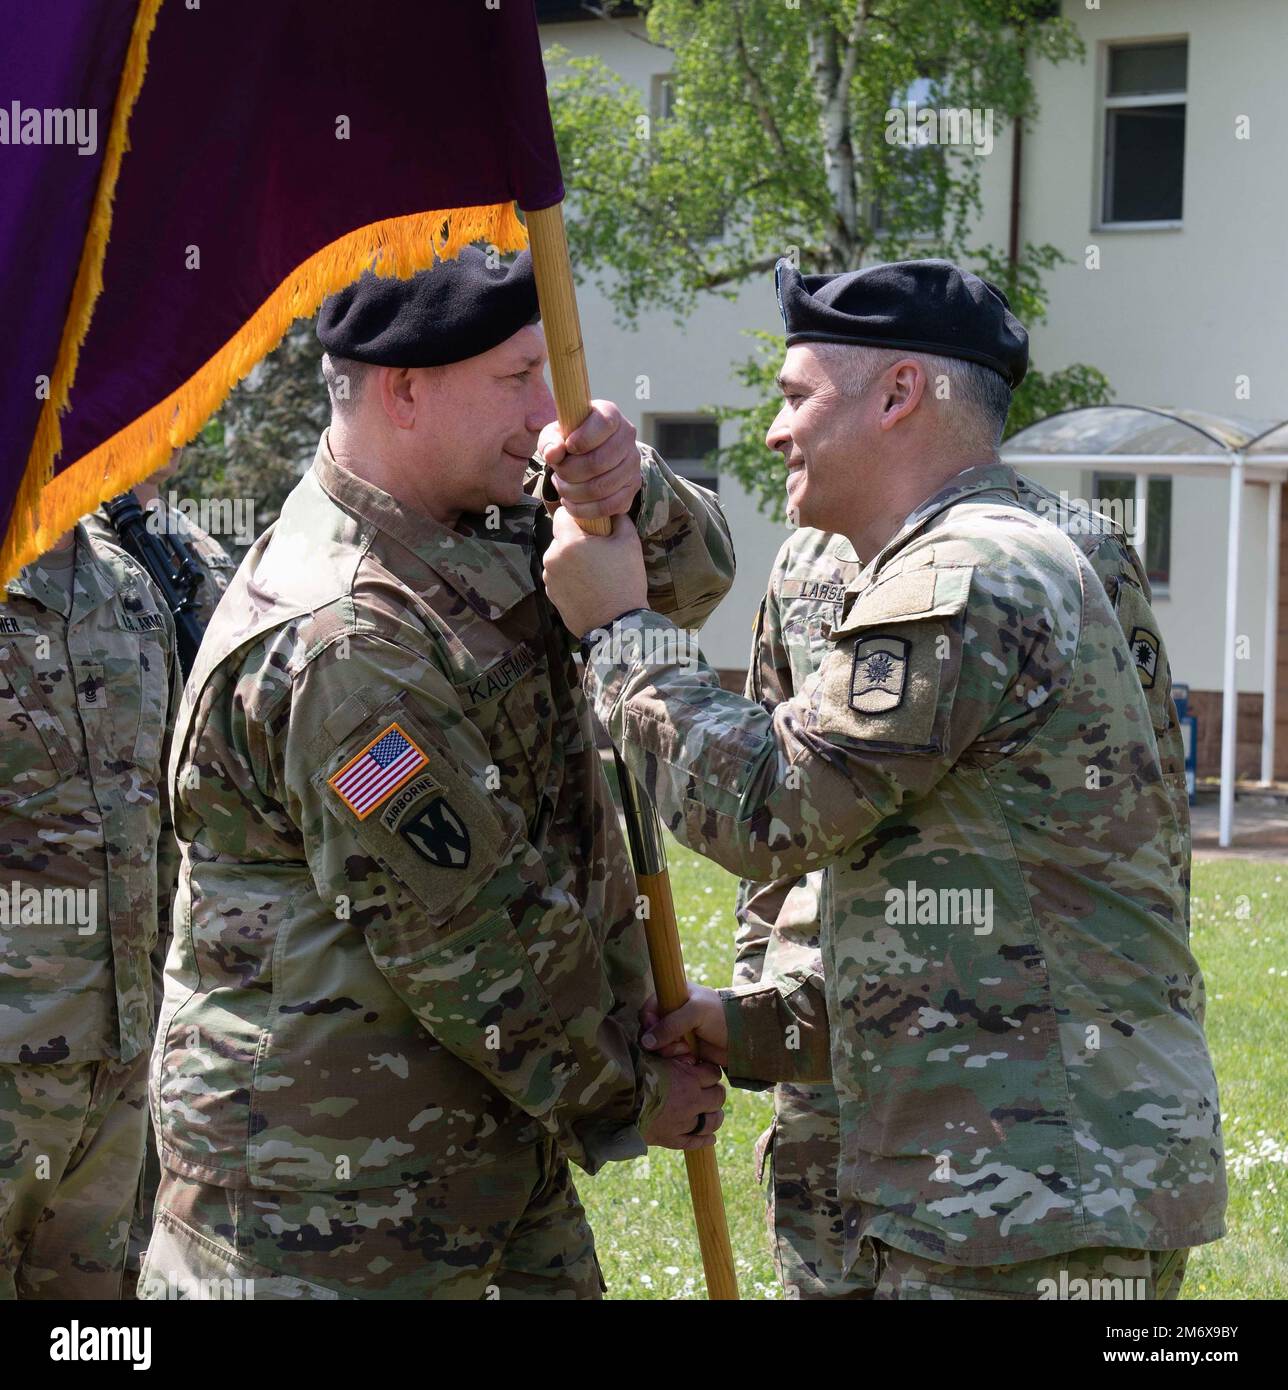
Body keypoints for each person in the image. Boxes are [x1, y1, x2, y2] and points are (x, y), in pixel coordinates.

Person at [543, 257, 1226, 1299]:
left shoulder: (969, 576)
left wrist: (624, 633)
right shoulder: (936, 559)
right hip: (982, 1178)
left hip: (1024, 1202)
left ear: (900, 395)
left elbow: (773, 804)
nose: (774, 433)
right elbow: (939, 901)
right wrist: (767, 1024)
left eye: (795, 396)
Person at [138, 247, 735, 1301]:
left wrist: (629, 492)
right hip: (326, 1205)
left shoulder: (493, 517)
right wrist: (632, 1087)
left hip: (482, 1157)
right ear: (406, 391)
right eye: (518, 379)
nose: (551, 411)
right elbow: (472, 934)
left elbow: (697, 580)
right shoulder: (342, 637)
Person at [0, 521, 181, 1298]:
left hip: (119, 1044)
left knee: (92, 1318)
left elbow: (166, 814)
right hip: (10, 1048)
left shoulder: (132, 587)